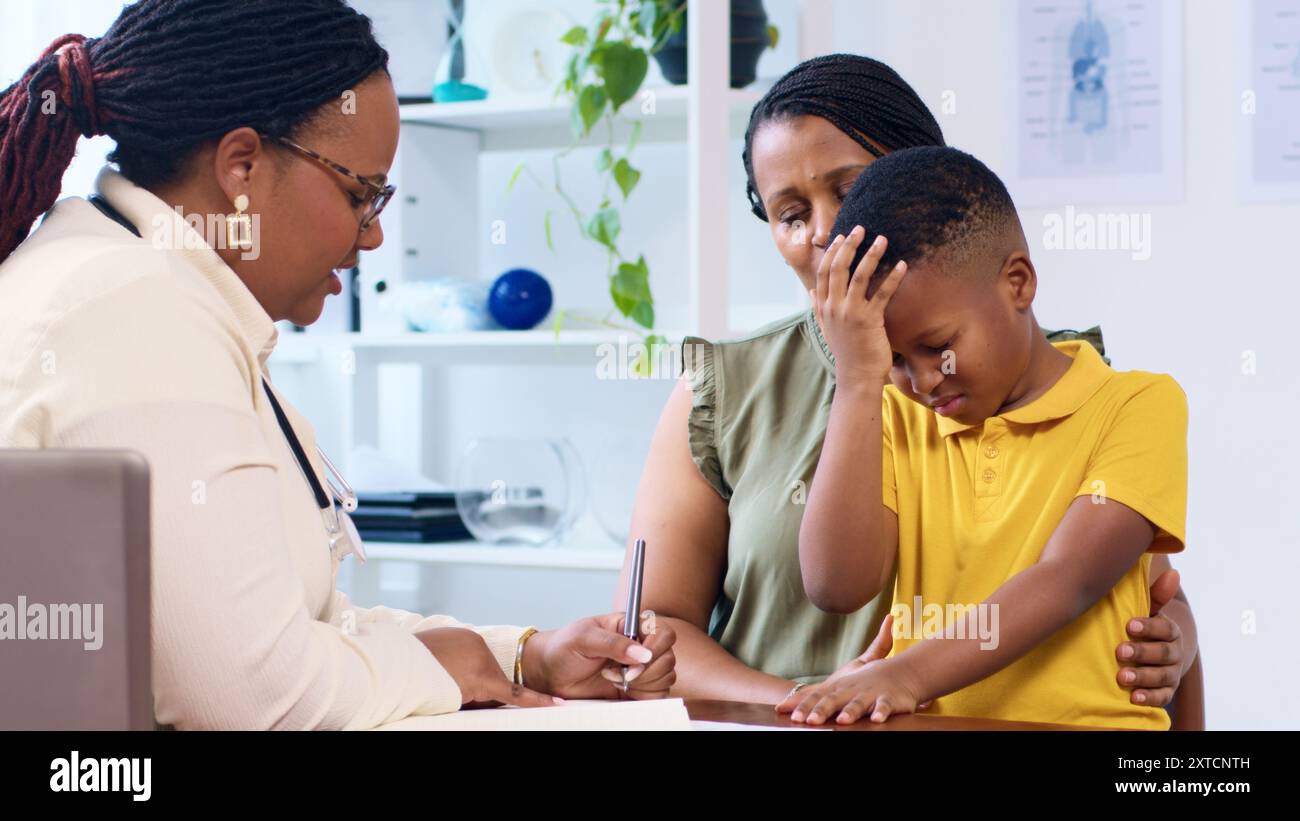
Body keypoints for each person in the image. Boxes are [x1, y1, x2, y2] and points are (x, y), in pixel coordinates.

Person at [0, 0, 675, 730]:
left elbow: (289, 622)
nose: (377, 234)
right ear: (242, 167)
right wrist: (442, 667)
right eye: (361, 194)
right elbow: (256, 695)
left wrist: (519, 656)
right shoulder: (133, 309)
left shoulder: (147, 284)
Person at [619, 54, 1199, 722]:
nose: (826, 234)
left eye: (850, 190)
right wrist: (818, 704)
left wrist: (1177, 635)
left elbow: (1113, 581)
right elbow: (653, 631)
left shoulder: (1052, 376)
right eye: (790, 213)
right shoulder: (741, 386)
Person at [780, 145, 1187, 729]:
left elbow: (1068, 579)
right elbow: (835, 585)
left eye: (936, 345)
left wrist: (903, 675)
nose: (922, 380)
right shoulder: (892, 414)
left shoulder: (1138, 405)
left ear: (1017, 283)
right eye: (894, 358)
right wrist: (856, 383)